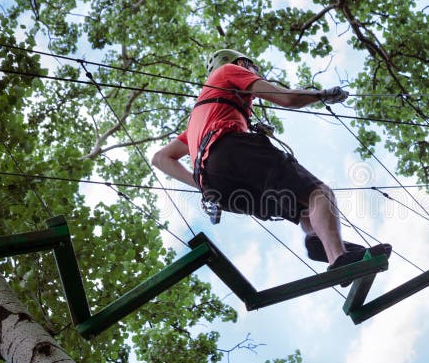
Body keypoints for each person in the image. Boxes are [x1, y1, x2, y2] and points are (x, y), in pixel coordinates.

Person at [152, 49, 390, 272]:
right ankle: (338, 257)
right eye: (252, 68)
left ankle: (320, 242)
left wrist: (202, 187)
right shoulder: (227, 71)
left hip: (219, 190)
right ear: (241, 63)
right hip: (232, 149)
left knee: (303, 205)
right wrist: (321, 95)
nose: (253, 73)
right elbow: (286, 99)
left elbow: (161, 158)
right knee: (318, 193)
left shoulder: (200, 118)